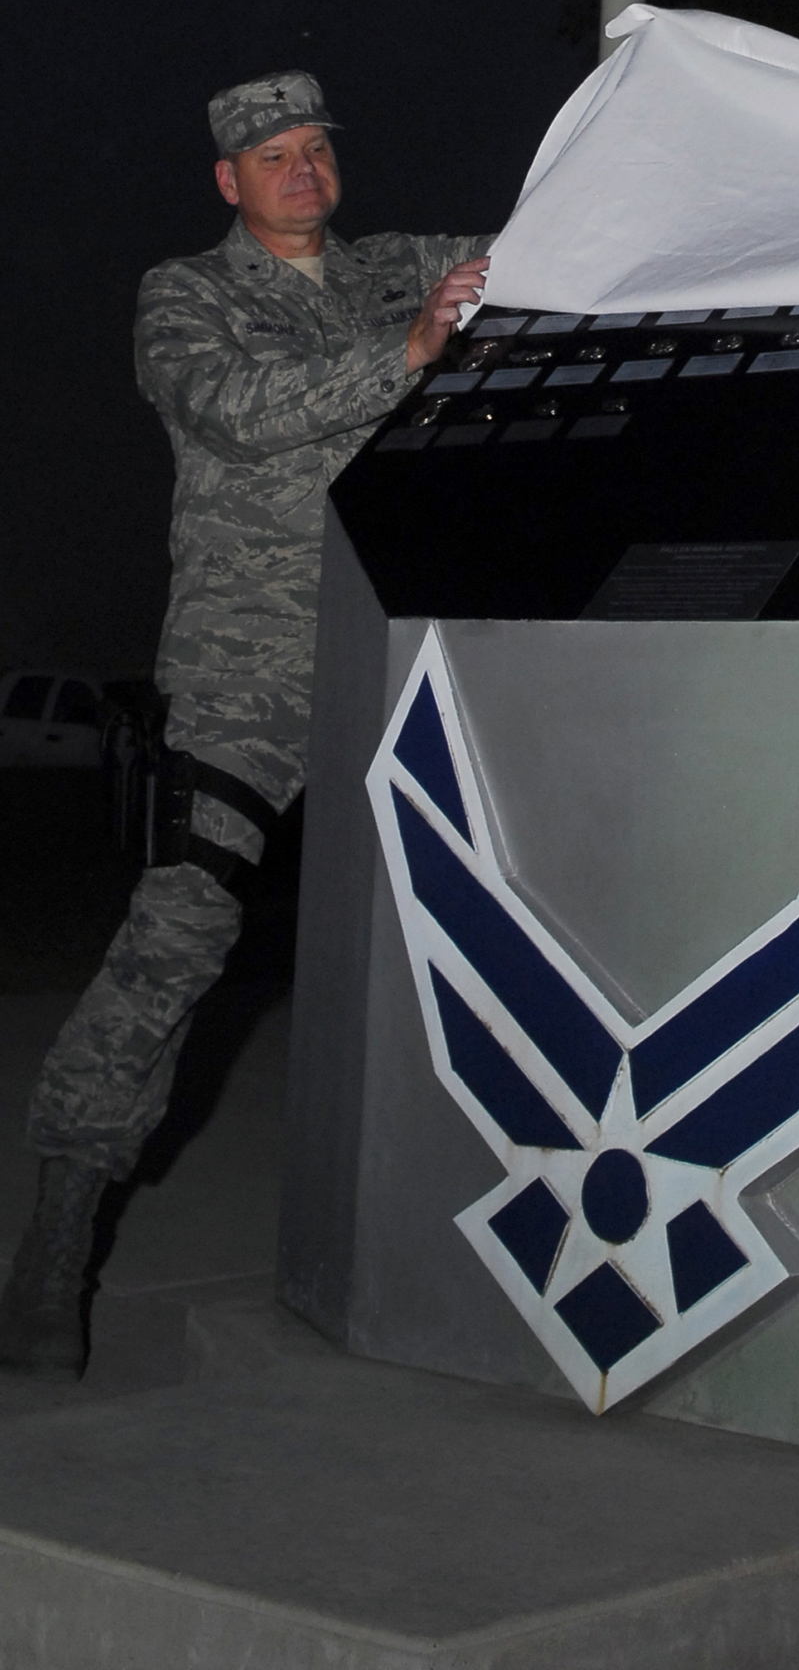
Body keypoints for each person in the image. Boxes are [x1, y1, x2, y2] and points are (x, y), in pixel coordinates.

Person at [0, 72, 490, 1374]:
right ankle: (56, 1241)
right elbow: (232, 408)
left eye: (316, 146)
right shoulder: (187, 294)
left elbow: (548, 253)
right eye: (271, 156)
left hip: (406, 643)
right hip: (250, 666)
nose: (302, 170)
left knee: (477, 925)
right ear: (229, 181)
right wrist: (403, 356)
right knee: (181, 929)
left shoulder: (402, 266)